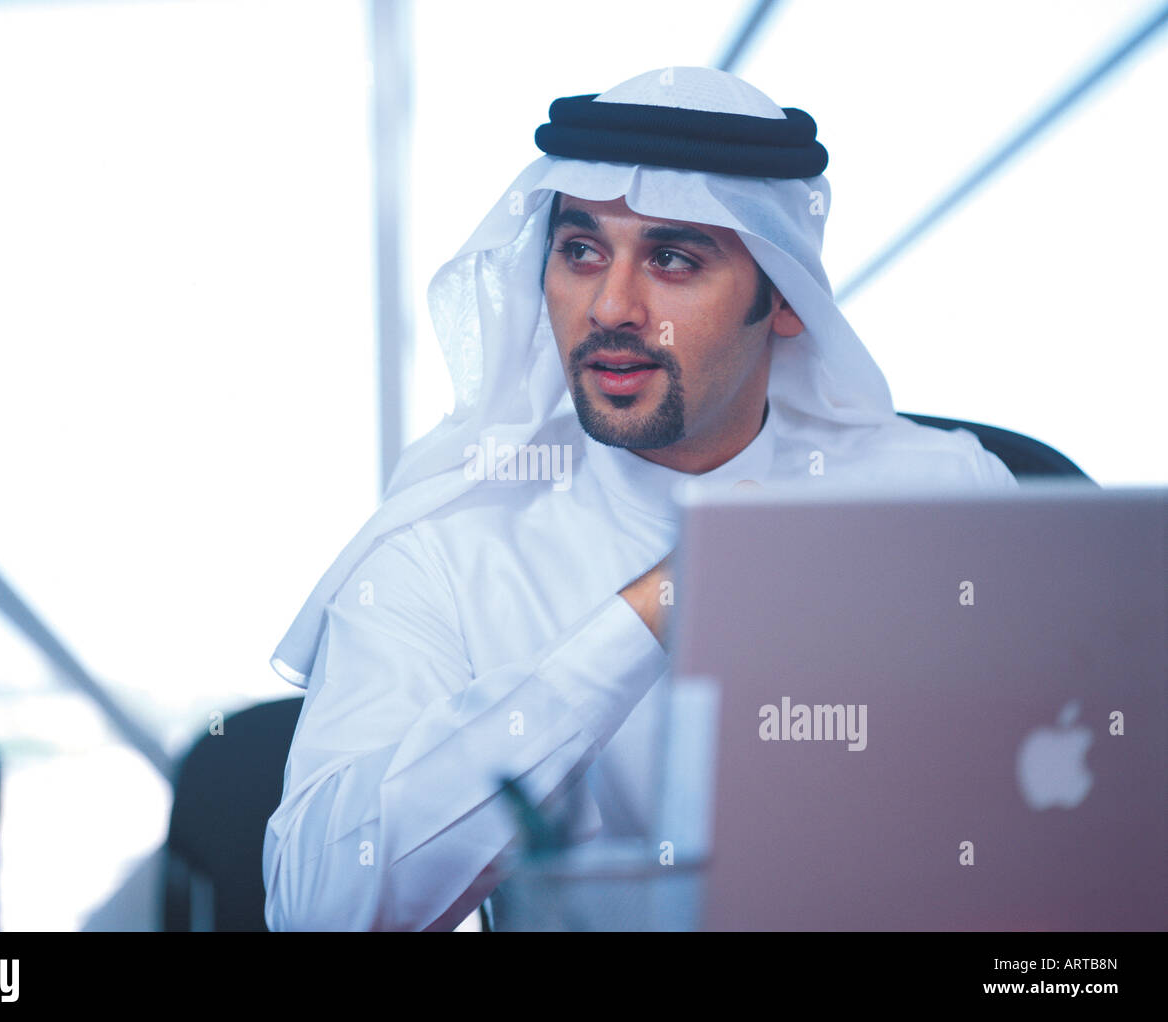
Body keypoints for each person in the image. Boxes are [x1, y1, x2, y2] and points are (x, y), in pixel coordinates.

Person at [261, 66, 1018, 931]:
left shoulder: (945, 500)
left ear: (785, 299)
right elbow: (318, 908)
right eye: (580, 251)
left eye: (672, 258)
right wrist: (654, 606)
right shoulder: (446, 547)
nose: (612, 307)